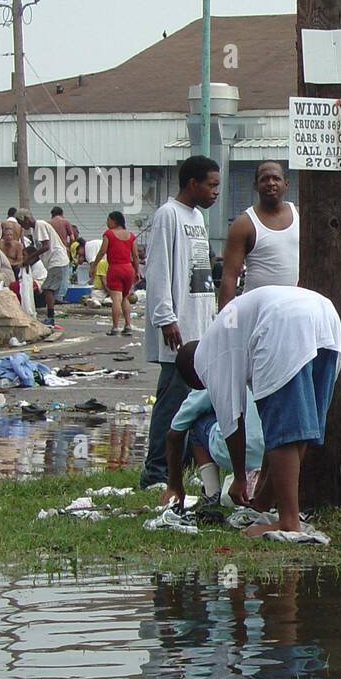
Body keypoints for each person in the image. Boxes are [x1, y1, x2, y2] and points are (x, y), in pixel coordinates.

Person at [177, 285, 341, 537]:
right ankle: (268, 505)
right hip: (324, 314)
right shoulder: (227, 337)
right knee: (301, 427)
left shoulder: (204, 360)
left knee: (284, 427)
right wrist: (261, 497)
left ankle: (288, 520)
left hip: (282, 323)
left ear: (195, 377)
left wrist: (240, 477)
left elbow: (232, 422)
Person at [139, 154, 221, 489]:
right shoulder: (167, 215)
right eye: (212, 185)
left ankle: (182, 465)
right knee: (172, 401)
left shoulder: (197, 217)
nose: (216, 192)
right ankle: (156, 472)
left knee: (193, 403)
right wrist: (165, 318)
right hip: (178, 329)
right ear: (192, 183)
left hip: (200, 326)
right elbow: (157, 270)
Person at [161, 388, 265, 509]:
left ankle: (212, 492)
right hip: (276, 451)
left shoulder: (213, 374)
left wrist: (174, 486)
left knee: (195, 420)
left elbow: (175, 432)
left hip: (234, 451)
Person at [219, 160, 299, 307]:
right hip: (257, 310)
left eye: (276, 178)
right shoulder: (244, 224)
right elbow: (229, 277)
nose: (271, 183)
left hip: (294, 308)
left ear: (286, 184)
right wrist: (228, 323)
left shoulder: (301, 216)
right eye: (264, 179)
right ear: (255, 186)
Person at [15, 210, 69, 326]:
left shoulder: (39, 225)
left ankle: (50, 317)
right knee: (48, 289)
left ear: (26, 219)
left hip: (57, 260)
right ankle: (50, 316)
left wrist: (30, 257)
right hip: (52, 262)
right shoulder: (35, 230)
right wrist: (28, 261)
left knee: (47, 289)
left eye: (21, 222)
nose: (21, 226)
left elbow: (45, 246)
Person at [92, 211, 140, 336]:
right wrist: (137, 271)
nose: (107, 223)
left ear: (114, 221)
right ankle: (128, 325)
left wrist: (94, 266)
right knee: (125, 297)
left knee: (116, 299)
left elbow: (102, 252)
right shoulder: (131, 235)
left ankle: (115, 327)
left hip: (115, 269)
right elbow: (135, 255)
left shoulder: (109, 234)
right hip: (128, 269)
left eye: (108, 220)